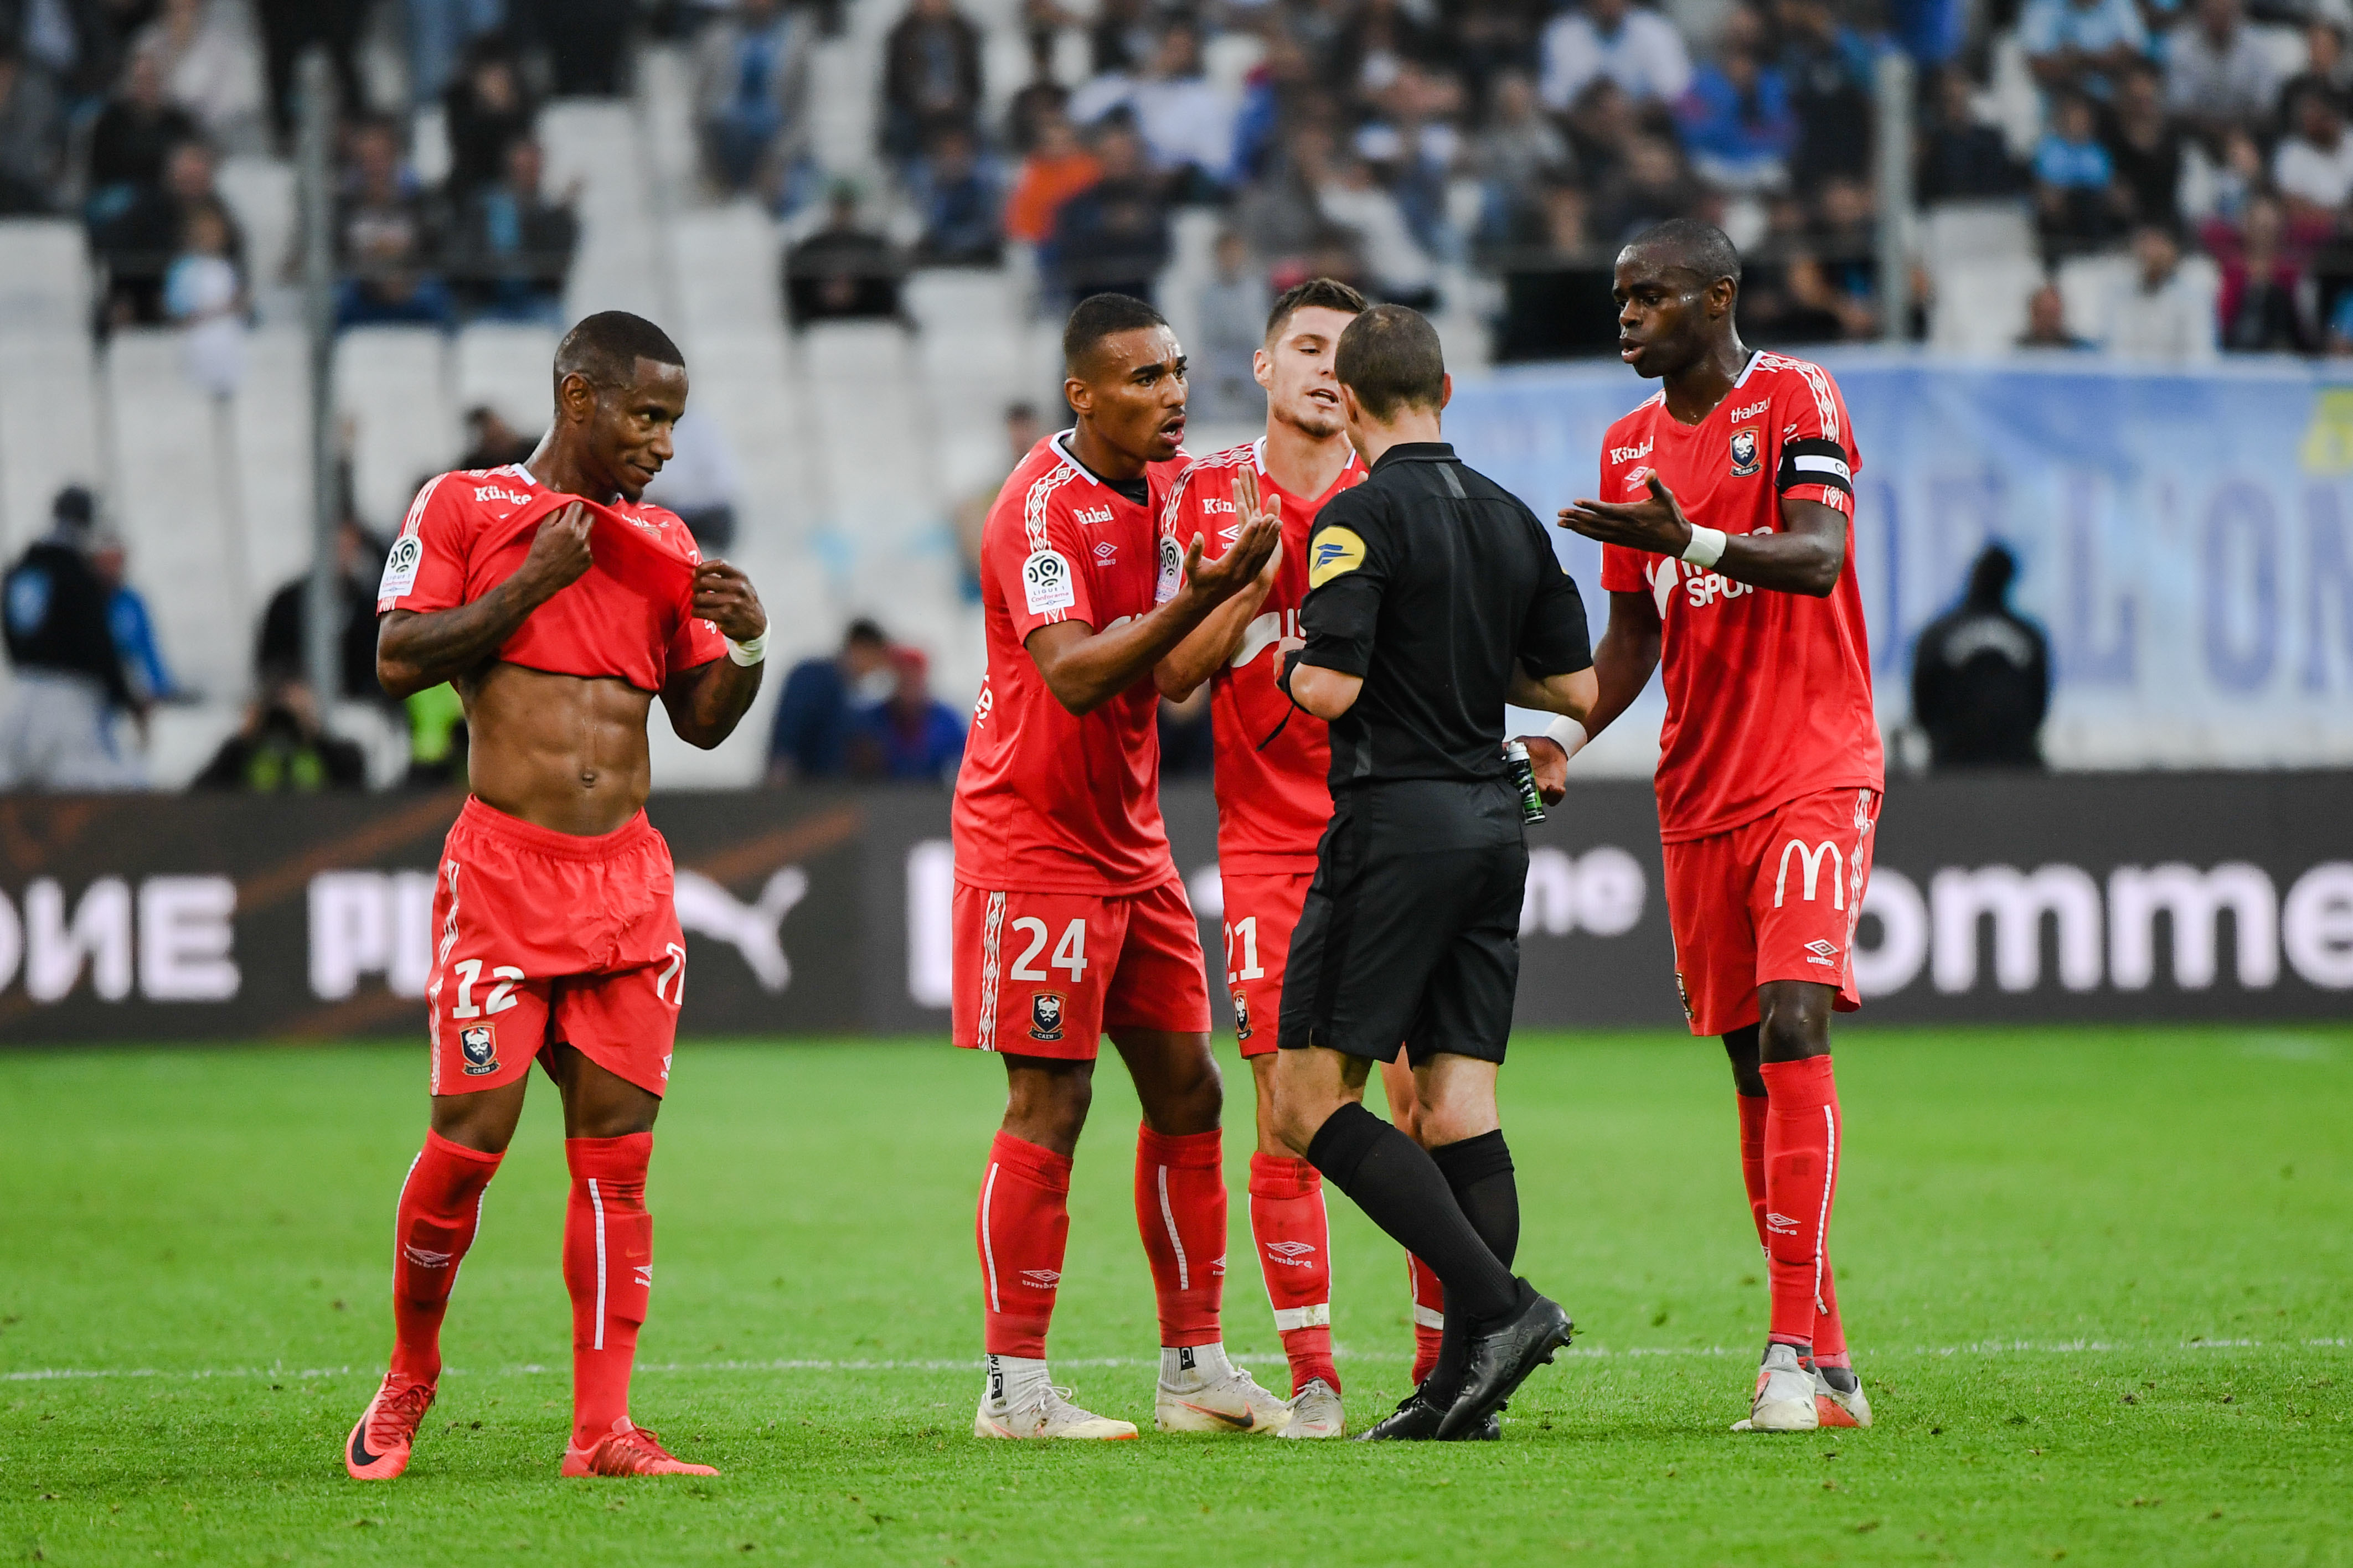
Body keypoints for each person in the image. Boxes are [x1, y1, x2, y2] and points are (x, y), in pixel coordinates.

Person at [346, 311, 771, 1482]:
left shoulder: (664, 542)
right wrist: (532, 581)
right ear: (577, 398)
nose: (663, 444)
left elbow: (695, 718)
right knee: (468, 1144)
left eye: (673, 421)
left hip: (625, 881)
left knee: (617, 1162)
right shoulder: (464, 509)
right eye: (647, 415)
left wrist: (744, 649)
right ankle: (409, 1374)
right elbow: (395, 657)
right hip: (503, 875)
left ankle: (602, 1430)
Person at [1539, 218, 1881, 1435]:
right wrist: (1566, 738)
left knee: (1796, 1017)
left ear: (1717, 296)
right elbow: (1634, 639)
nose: (1625, 317)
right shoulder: (1629, 442)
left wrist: (1686, 535)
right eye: (1618, 298)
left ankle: (1785, 1350)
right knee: (1747, 1059)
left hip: (1812, 766)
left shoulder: (1796, 395)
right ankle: (1829, 1360)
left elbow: (1817, 558)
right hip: (1698, 790)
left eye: (1650, 297)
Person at [953, 291, 1285, 1441]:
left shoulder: (1168, 496)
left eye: (1179, 371)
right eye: (1143, 378)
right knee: (1052, 1097)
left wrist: (1246, 585)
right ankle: (1015, 1390)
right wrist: (1201, 589)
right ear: (1081, 394)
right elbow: (1077, 676)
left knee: (1187, 1087)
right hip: (1032, 837)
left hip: (1130, 841)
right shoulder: (1035, 511)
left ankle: (1193, 1364)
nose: (1174, 394)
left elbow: (1175, 675)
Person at [1266, 303, 1595, 1443]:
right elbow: (1574, 691)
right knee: (1458, 1104)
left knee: (1304, 1103)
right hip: (1492, 822)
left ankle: (1502, 1312)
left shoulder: (1354, 518)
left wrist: (1292, 660)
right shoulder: (1509, 517)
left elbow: (1330, 693)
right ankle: (1466, 1385)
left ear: (1347, 404)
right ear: (1445, 393)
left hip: (1394, 827)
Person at [1148, 277, 1369, 1438]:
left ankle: (1451, 1372)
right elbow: (1174, 679)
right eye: (1311, 349)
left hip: (1393, 838)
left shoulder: (1395, 495)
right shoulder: (1207, 498)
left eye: (1350, 351)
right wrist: (1238, 586)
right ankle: (1318, 1376)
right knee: (1288, 1109)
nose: (1331, 369)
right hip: (1274, 847)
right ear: (1266, 370)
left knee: (1433, 1107)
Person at [0, 486, 143, 790]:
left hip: (21, 697)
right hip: (69, 700)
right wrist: (123, 697)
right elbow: (98, 643)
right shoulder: (77, 576)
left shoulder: (19, 570)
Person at [1910, 544, 2051, 769]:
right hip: (2016, 768)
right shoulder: (2030, 636)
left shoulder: (1936, 636)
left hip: (1952, 768)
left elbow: (1922, 703)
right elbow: (2039, 704)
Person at [765, 618, 891, 783]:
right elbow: (791, 727)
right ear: (862, 649)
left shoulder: (846, 689)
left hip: (824, 788)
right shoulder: (815, 678)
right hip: (803, 786)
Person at [191, 677, 369, 791]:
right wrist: (242, 741)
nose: (283, 719)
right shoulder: (242, 753)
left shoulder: (333, 754)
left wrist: (315, 735)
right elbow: (200, 796)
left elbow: (356, 792)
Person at [844, 644, 964, 782]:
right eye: (904, 675)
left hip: (935, 800)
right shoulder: (870, 721)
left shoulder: (949, 723)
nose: (909, 682)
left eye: (914, 675)